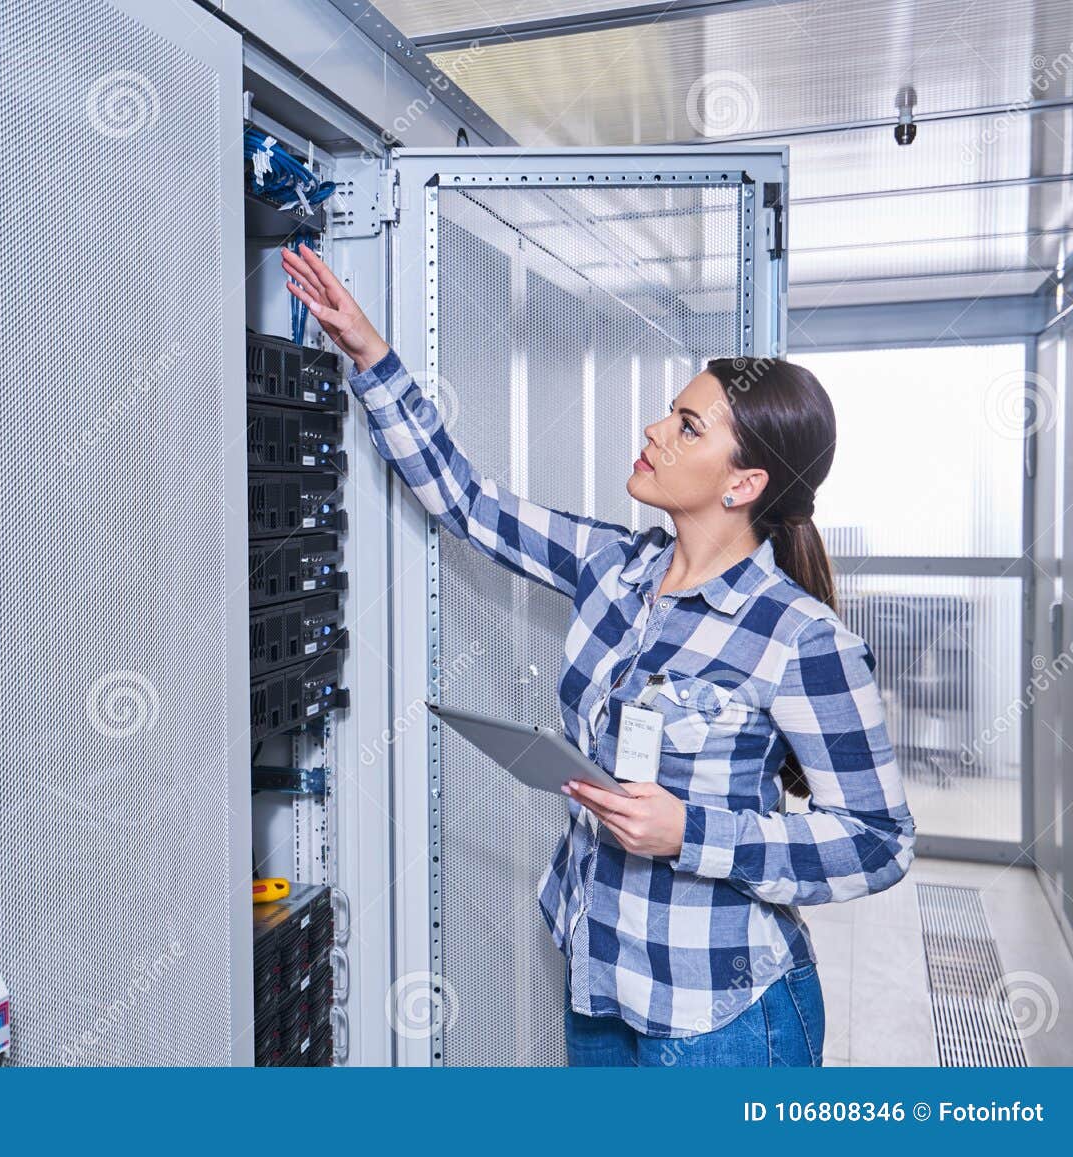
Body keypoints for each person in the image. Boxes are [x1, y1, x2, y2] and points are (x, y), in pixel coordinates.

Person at [282, 243, 915, 1067]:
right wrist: (369, 354)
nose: (655, 429)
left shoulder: (800, 637)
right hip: (600, 976)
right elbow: (468, 503)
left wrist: (689, 831)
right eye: (671, 412)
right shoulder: (612, 566)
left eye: (687, 426)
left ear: (743, 484)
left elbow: (879, 840)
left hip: (721, 1012)